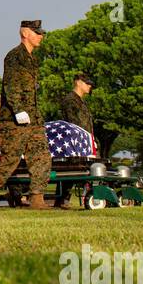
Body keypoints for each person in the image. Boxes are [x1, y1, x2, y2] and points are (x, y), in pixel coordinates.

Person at [0, 20, 52, 210]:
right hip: (15, 120)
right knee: (11, 159)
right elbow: (11, 85)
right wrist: (18, 110)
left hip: (33, 118)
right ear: (25, 33)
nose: (41, 36)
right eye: (37, 33)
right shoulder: (14, 56)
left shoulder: (33, 59)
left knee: (41, 156)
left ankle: (37, 198)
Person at [55, 73, 94, 209]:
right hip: (74, 143)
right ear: (78, 82)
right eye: (87, 83)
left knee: (82, 171)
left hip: (84, 142)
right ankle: (62, 200)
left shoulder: (80, 101)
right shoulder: (70, 101)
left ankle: (64, 200)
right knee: (71, 171)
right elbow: (73, 124)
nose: (90, 86)